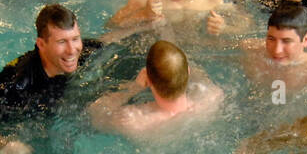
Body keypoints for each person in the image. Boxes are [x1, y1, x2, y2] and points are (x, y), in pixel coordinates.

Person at [0, 3, 103, 154]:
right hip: (35, 127)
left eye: (75, 39)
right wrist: (4, 145)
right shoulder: (18, 83)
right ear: (41, 44)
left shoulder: (85, 52)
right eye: (61, 42)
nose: (71, 50)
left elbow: (111, 42)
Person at [89, 40, 223, 140]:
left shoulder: (134, 121)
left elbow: (95, 114)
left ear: (148, 80)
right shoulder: (212, 97)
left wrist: (133, 88)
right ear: (188, 71)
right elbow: (198, 73)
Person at [239, 4, 307, 96]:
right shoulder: (251, 49)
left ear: (305, 39)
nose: (277, 50)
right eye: (271, 39)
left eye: (286, 41)